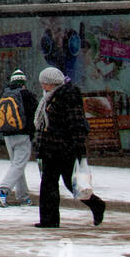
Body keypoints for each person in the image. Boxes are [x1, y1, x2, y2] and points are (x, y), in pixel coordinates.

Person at [33, 66, 106, 229]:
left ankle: (96, 205)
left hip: (64, 148)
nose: (43, 87)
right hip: (49, 148)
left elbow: (77, 123)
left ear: (53, 83)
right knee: (48, 184)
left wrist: (79, 148)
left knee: (71, 183)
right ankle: (49, 220)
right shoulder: (49, 98)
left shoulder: (68, 96)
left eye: (45, 83)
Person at [0, 68, 38, 207]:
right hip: (23, 134)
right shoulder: (26, 95)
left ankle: (23, 197)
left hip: (8, 135)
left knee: (17, 165)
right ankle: (3, 189)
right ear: (23, 83)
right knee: (19, 165)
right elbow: (35, 115)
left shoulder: (5, 94)